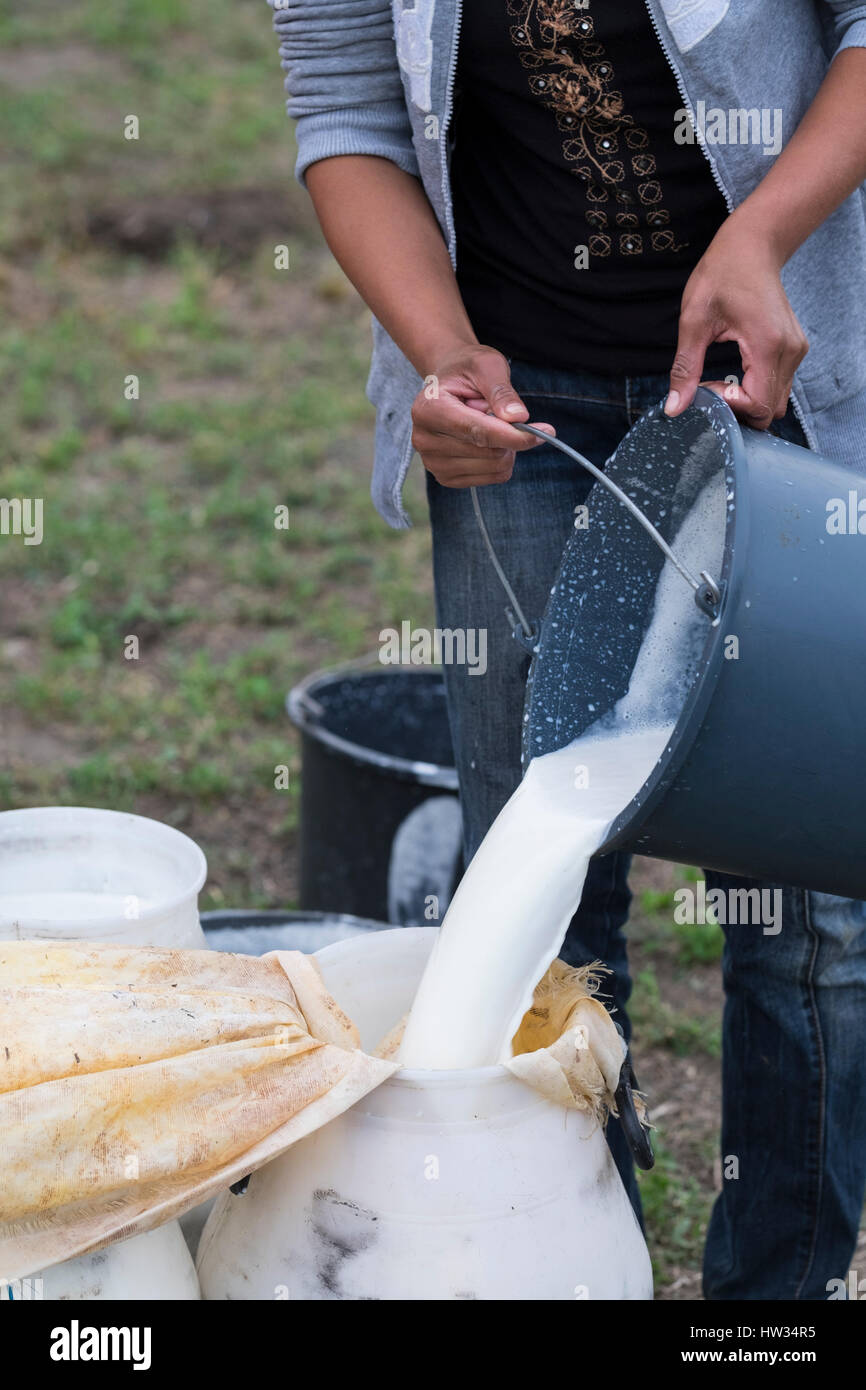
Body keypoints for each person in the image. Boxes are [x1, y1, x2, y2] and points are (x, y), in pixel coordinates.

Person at [268, 0, 866, 1299]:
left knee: (807, 920)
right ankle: (567, 1263)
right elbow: (349, 114)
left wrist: (761, 235)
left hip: (783, 379)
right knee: (539, 894)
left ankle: (773, 1301)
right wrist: (441, 353)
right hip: (524, 402)